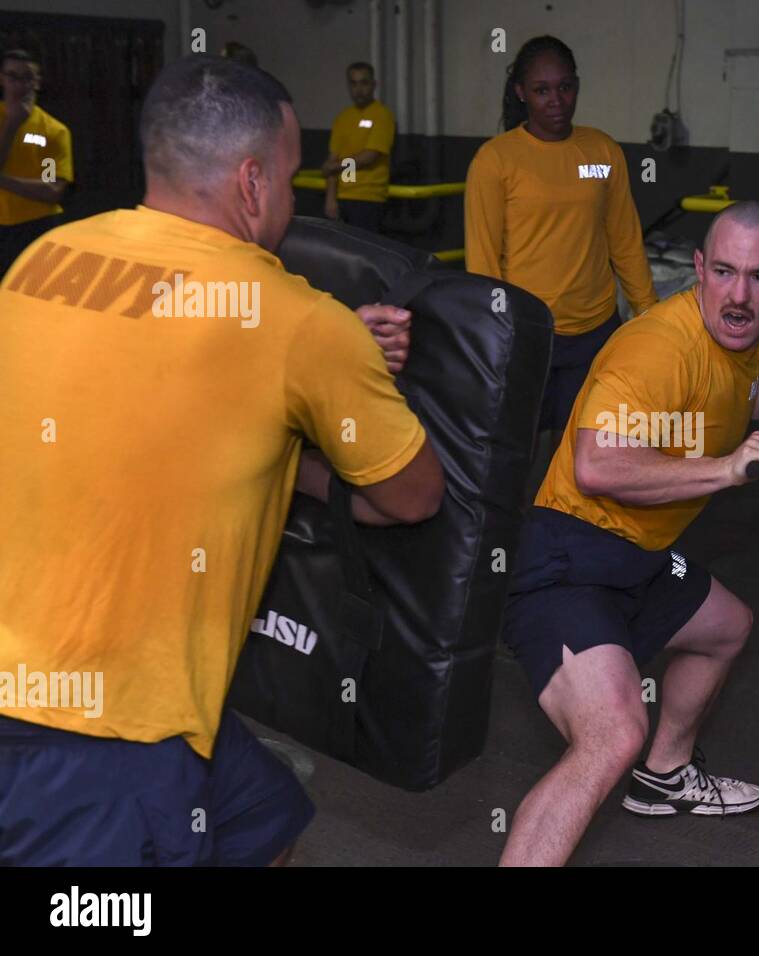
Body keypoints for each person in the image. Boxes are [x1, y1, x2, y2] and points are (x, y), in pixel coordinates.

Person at [0, 55, 443, 866]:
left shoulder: (44, 259)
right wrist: (334, 361)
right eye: (290, 176)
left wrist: (314, 375)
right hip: (102, 730)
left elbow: (158, 374)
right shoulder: (297, 324)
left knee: (264, 825)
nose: (294, 194)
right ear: (251, 183)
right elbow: (413, 496)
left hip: (79, 693)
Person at [500, 200, 759, 866]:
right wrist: (724, 468)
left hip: (641, 554)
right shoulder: (657, 350)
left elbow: (746, 393)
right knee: (610, 737)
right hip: (568, 555)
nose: (738, 294)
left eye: (758, 278)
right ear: (698, 268)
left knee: (727, 625)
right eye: (723, 272)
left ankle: (665, 777)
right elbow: (597, 463)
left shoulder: (739, 344)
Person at [465, 35, 657, 443]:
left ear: (577, 85)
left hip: (596, 332)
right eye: (541, 90)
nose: (557, 100)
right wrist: (495, 336)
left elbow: (624, 238)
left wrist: (648, 312)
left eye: (565, 86)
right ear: (521, 93)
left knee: (581, 451)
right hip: (528, 333)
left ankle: (566, 511)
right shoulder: (495, 160)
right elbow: (483, 263)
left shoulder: (602, 152)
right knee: (515, 454)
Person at [0, 50, 73, 276]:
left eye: (27, 78)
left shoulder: (52, 131)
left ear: (37, 82)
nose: (20, 85)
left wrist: (3, 181)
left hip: (37, 226)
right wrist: (13, 124)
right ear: (2, 79)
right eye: (13, 77)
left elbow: (50, 188)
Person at [322, 61, 395, 232]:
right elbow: (333, 159)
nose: (359, 90)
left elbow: (369, 156)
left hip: (369, 198)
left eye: (364, 83)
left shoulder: (382, 115)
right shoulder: (343, 118)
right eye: (353, 83)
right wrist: (330, 198)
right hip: (343, 196)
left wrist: (335, 165)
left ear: (374, 85)